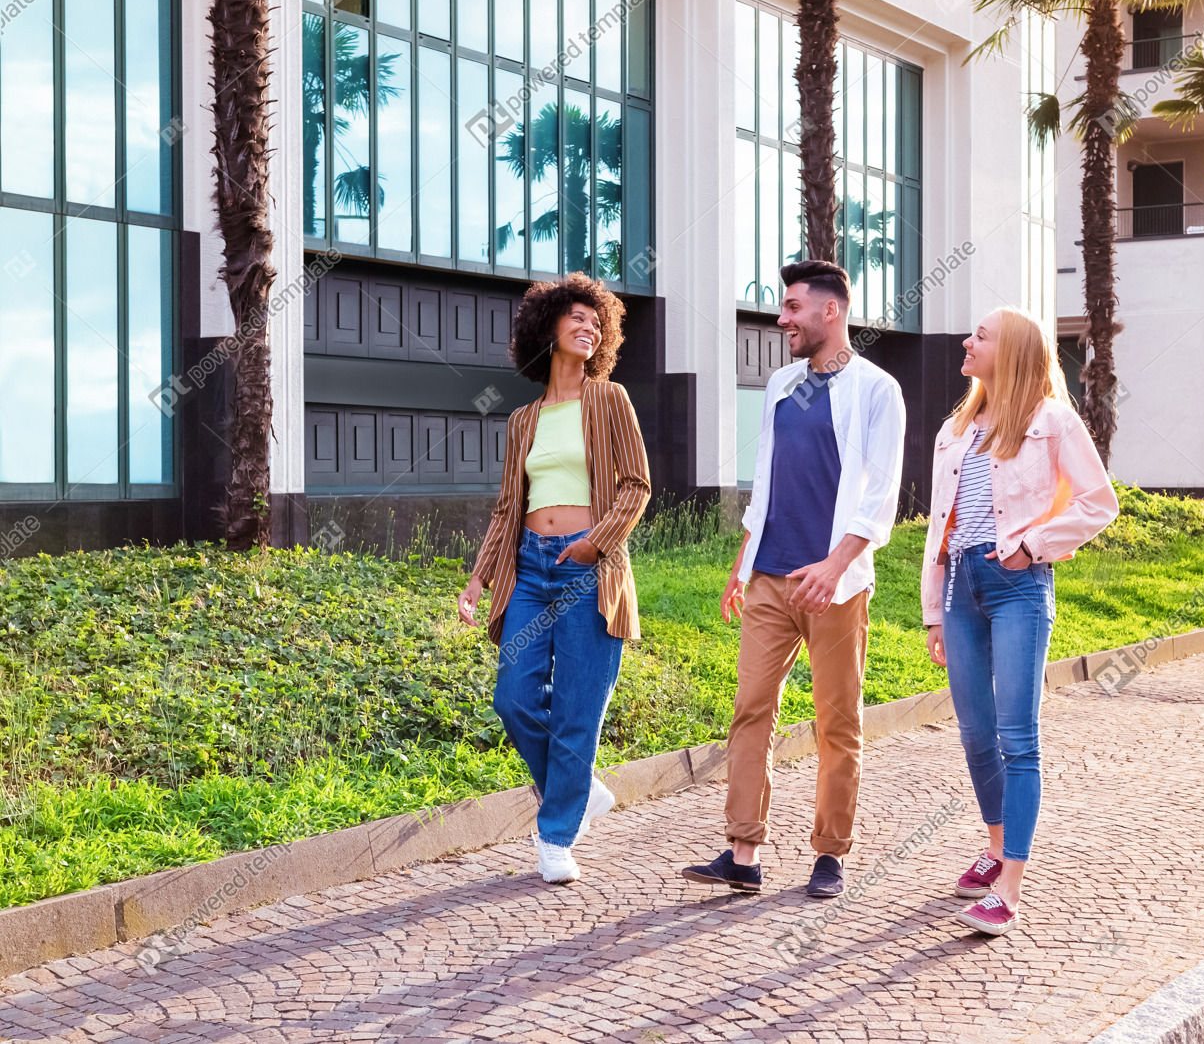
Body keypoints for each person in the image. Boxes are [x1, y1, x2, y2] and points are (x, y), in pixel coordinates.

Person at [682, 260, 906, 898]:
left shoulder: (876, 389)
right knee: (751, 709)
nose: (782, 320)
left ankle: (830, 853)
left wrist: (835, 568)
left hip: (834, 585)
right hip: (770, 579)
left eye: (792, 308)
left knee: (837, 721)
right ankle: (743, 852)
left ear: (830, 311)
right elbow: (766, 481)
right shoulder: (783, 384)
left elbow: (880, 497)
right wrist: (741, 565)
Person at [920, 307, 1118, 935]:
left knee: (1017, 736)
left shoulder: (1052, 420)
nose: (966, 340)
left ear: (1013, 352)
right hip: (960, 587)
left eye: (980, 335)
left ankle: (1009, 886)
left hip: (1017, 586)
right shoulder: (956, 427)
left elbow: (1098, 502)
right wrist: (933, 613)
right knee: (976, 733)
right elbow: (938, 526)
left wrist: (1034, 545)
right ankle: (996, 844)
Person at [458, 273, 650, 885]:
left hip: (589, 564)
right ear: (548, 329)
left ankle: (556, 833)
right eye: (576, 318)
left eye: (597, 322)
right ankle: (579, 788)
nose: (588, 327)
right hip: (531, 567)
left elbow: (636, 486)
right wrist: (479, 578)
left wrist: (596, 544)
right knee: (513, 698)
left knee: (576, 708)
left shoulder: (611, 400)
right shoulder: (523, 420)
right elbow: (506, 509)